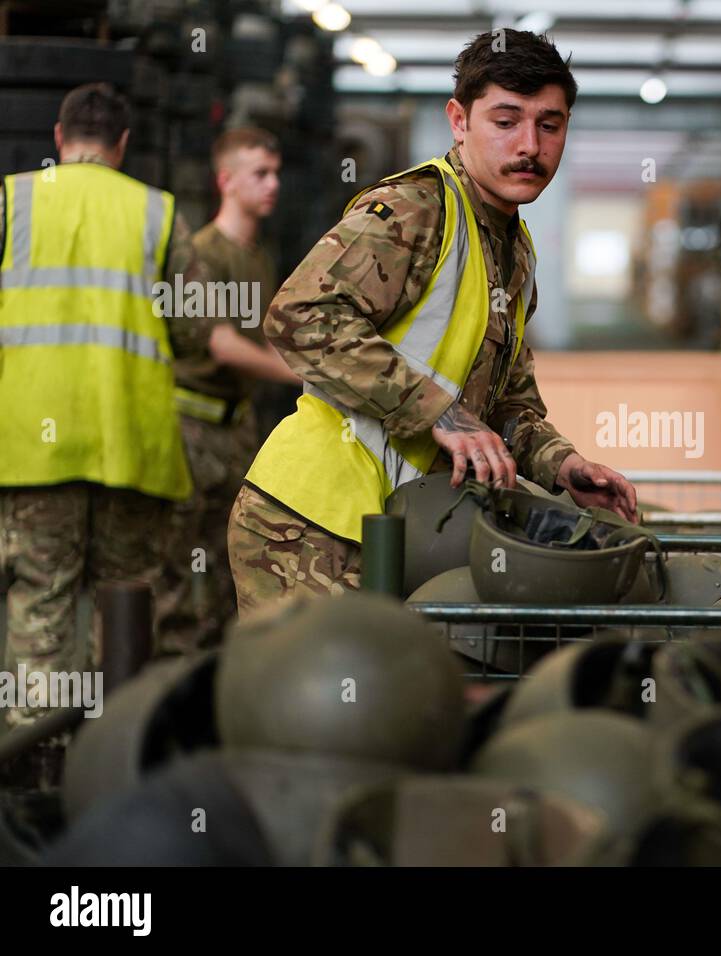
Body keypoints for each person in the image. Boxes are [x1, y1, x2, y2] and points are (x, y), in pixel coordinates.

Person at [227, 29, 637, 615]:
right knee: (319, 702)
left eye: (550, 125)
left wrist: (562, 465)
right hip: (311, 522)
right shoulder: (417, 210)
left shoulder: (513, 249)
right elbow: (300, 315)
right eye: (505, 120)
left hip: (400, 526)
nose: (529, 145)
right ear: (458, 121)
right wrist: (438, 411)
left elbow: (509, 404)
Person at [0, 83, 211, 729]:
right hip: (131, 446)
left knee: (42, 601)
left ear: (59, 140)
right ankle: (109, 758)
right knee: (121, 608)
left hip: (33, 449)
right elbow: (195, 329)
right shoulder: (157, 212)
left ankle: (36, 767)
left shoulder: (13, 199)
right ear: (122, 145)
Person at [156, 127, 299, 654]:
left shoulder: (256, 256)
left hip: (236, 425)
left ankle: (215, 674)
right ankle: (171, 678)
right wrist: (303, 374)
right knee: (180, 565)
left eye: (276, 172)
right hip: (191, 429)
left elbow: (262, 334)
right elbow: (220, 344)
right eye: (260, 173)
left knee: (227, 562)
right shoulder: (201, 255)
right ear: (226, 180)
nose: (273, 185)